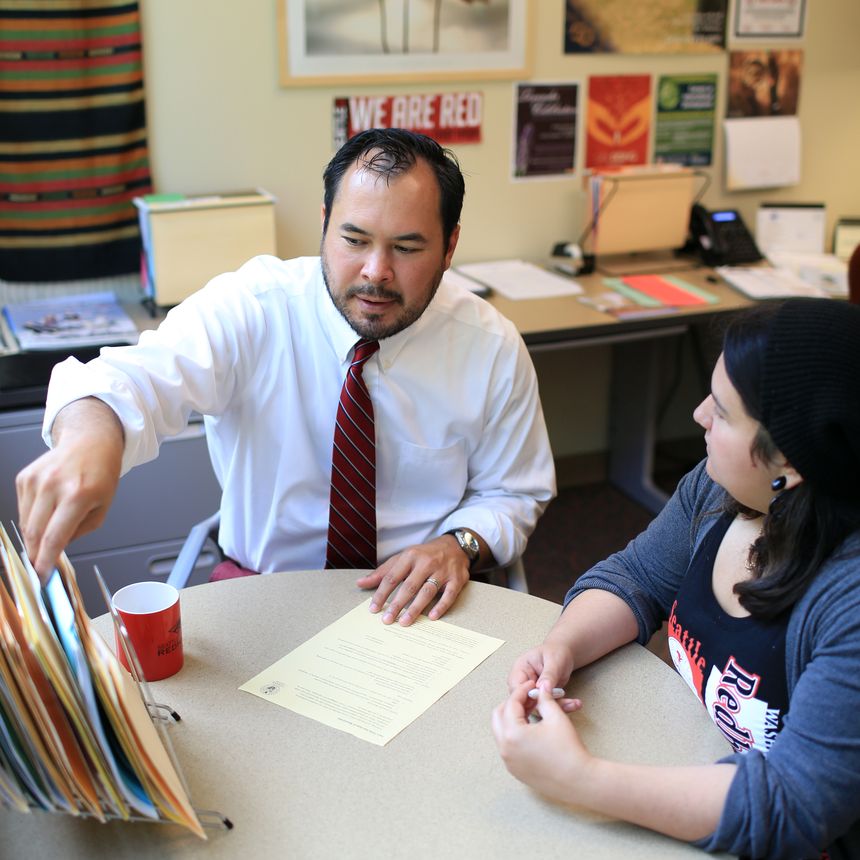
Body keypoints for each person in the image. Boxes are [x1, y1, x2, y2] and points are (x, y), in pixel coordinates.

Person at [16, 128, 555, 626]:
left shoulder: (489, 344)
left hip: (417, 597)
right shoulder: (255, 307)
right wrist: (91, 438)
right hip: (264, 589)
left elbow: (514, 490)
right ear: (324, 223)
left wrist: (457, 544)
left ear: (450, 246)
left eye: (407, 248)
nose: (375, 272)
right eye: (354, 239)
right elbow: (131, 378)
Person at [492, 298, 860, 858]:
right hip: (700, 774)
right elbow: (633, 577)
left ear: (790, 460)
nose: (698, 414)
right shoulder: (720, 489)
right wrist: (561, 646)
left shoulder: (849, 602)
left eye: (725, 411)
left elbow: (790, 805)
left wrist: (582, 781)